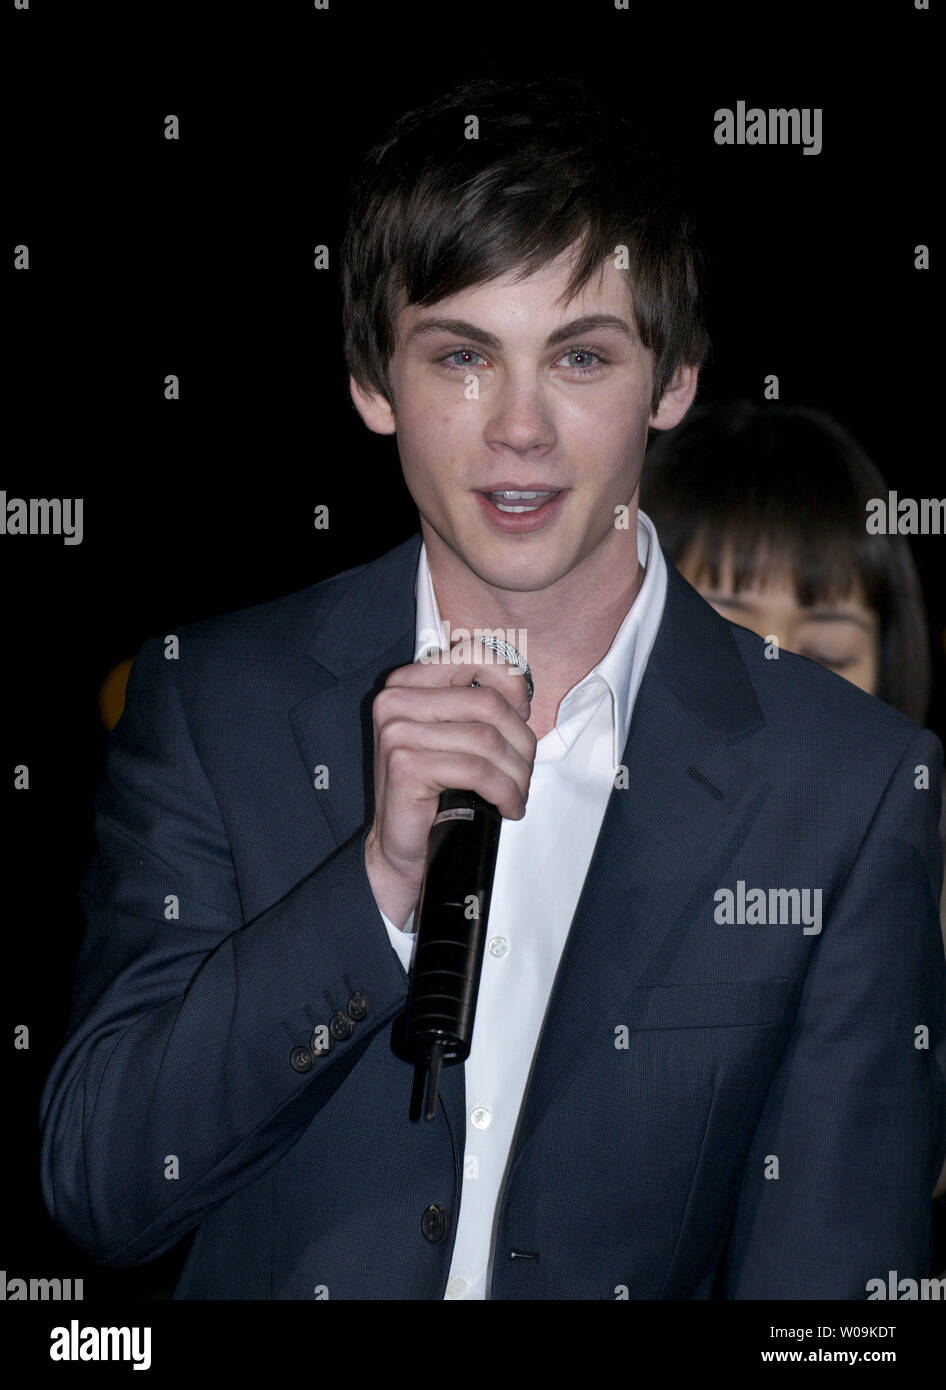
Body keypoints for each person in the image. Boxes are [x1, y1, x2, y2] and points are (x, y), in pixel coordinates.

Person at [39, 76, 945, 1300]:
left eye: (579, 355)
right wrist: (374, 888)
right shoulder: (217, 703)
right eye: (462, 356)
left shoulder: (844, 783)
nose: (519, 427)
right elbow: (100, 1186)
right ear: (372, 382)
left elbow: (830, 1302)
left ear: (672, 381)